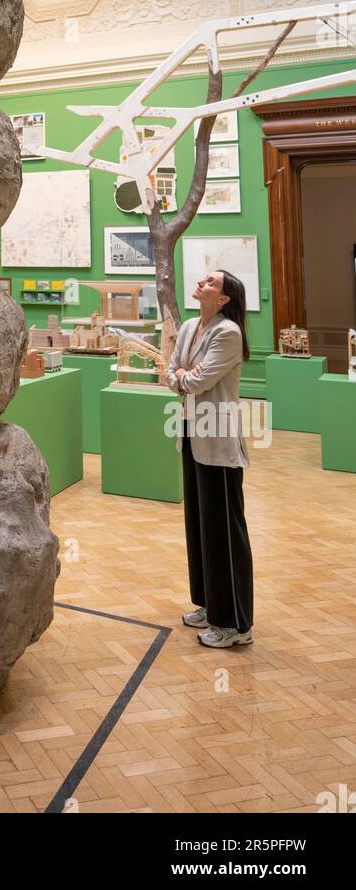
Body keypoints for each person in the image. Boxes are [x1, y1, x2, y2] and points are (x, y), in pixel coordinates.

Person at [165, 269, 253, 648]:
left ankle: (234, 623)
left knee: (223, 531)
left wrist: (182, 375)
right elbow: (172, 372)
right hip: (189, 433)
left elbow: (195, 381)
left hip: (217, 440)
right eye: (203, 280)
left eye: (211, 283)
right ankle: (209, 604)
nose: (201, 284)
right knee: (199, 524)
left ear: (223, 299)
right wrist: (182, 374)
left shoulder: (227, 333)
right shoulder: (188, 327)